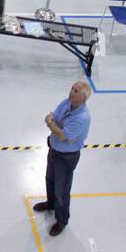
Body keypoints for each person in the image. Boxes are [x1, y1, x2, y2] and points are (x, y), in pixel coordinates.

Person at [33, 80, 92, 236]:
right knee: (49, 179)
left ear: (84, 98)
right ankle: (50, 204)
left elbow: (61, 134)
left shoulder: (82, 118)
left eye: (76, 91)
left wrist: (52, 124)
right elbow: (56, 121)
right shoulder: (66, 103)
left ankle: (61, 221)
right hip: (54, 150)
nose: (71, 91)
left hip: (66, 158)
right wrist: (56, 126)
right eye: (72, 88)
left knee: (62, 190)